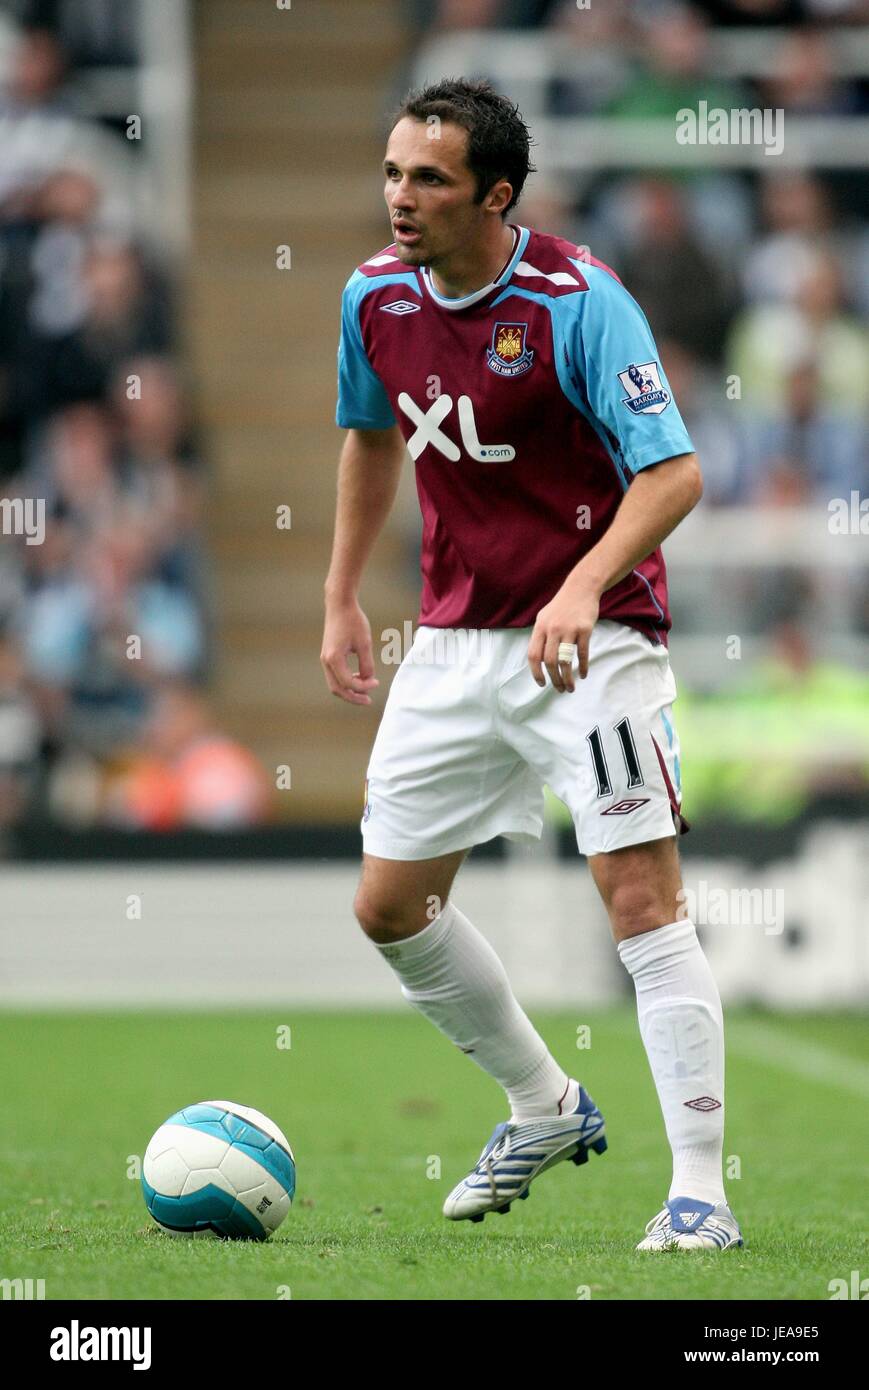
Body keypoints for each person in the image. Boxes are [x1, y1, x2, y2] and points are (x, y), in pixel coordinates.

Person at [322, 77, 742, 1253]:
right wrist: (339, 591)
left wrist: (579, 583)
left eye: (430, 180)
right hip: (454, 642)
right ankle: (544, 1104)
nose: (400, 199)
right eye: (393, 173)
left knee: (639, 903)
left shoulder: (579, 299)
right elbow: (369, 437)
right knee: (389, 905)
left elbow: (673, 475)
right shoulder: (371, 297)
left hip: (593, 641)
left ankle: (700, 1194)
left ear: (495, 195)